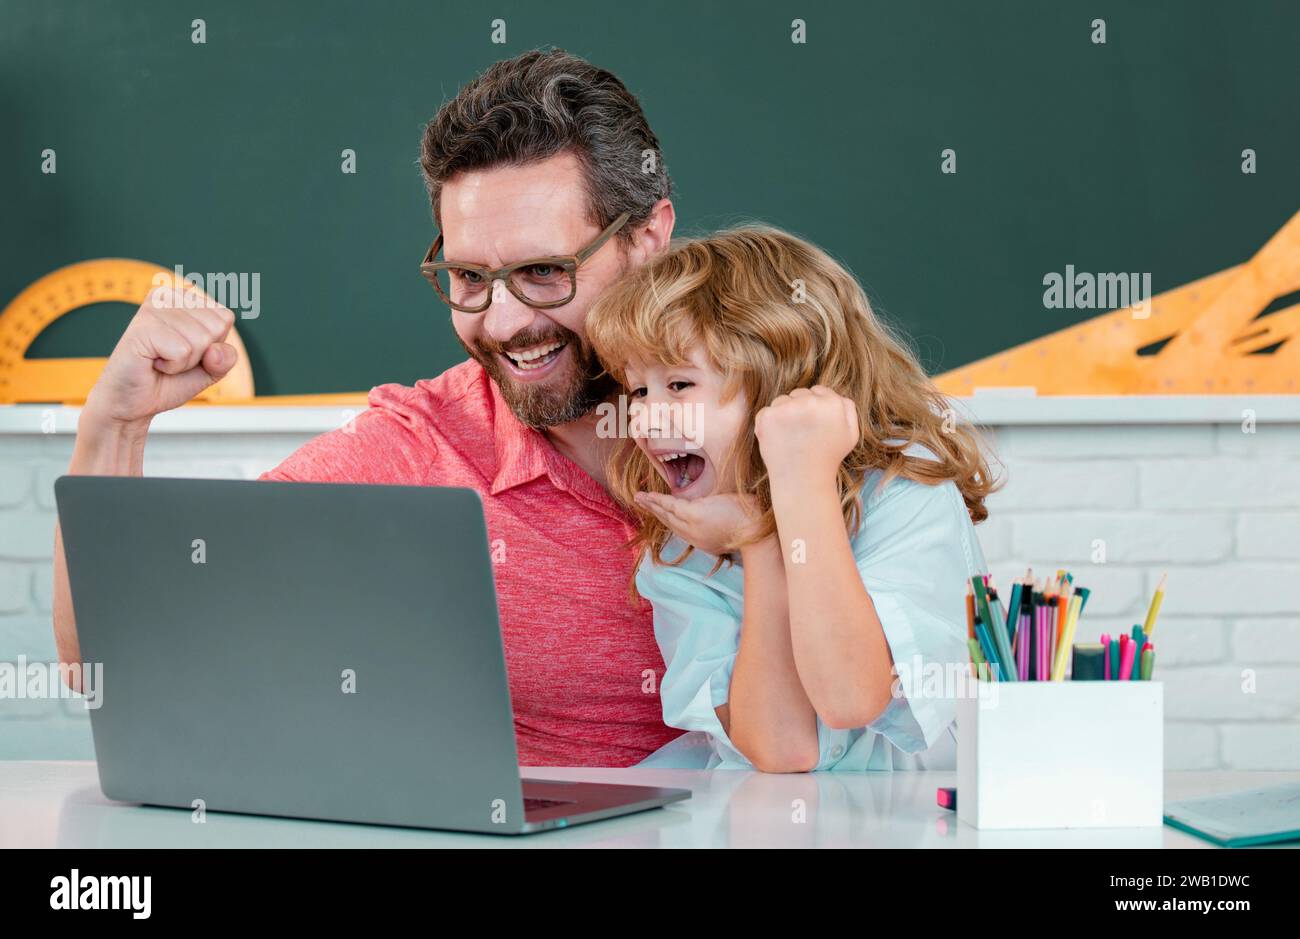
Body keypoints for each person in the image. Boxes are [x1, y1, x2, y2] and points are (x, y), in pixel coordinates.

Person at [51, 49, 684, 767]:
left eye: (544, 271)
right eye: (469, 277)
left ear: (647, 241)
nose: (504, 323)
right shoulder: (421, 447)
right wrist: (114, 425)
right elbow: (117, 659)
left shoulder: (778, 403)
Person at [586, 227, 997, 771]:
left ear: (785, 387)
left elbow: (850, 698)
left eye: (680, 386)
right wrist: (760, 544)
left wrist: (800, 482)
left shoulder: (903, 491)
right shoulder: (681, 547)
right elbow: (783, 749)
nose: (644, 417)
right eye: (638, 390)